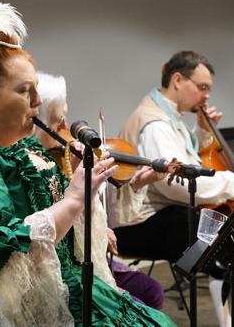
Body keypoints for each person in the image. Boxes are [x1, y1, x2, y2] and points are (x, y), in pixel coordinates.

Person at [0, 3, 173, 326]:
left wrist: (80, 188)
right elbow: (10, 253)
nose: (37, 102)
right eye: (25, 91)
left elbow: (59, 240)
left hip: (56, 291)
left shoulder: (17, 151)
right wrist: (74, 199)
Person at [108, 51, 234, 326]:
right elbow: (179, 186)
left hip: (157, 213)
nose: (206, 95)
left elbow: (183, 158)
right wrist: (231, 183)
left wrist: (202, 133)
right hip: (136, 224)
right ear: (177, 80)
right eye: (202, 87)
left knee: (223, 236)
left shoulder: (164, 113)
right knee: (224, 243)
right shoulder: (154, 123)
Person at [34, 72, 166, 310]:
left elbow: (94, 213)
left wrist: (100, 224)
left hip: (93, 254)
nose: (65, 127)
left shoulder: (67, 158)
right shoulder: (38, 166)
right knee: (137, 301)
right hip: (69, 264)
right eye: (58, 120)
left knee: (152, 291)